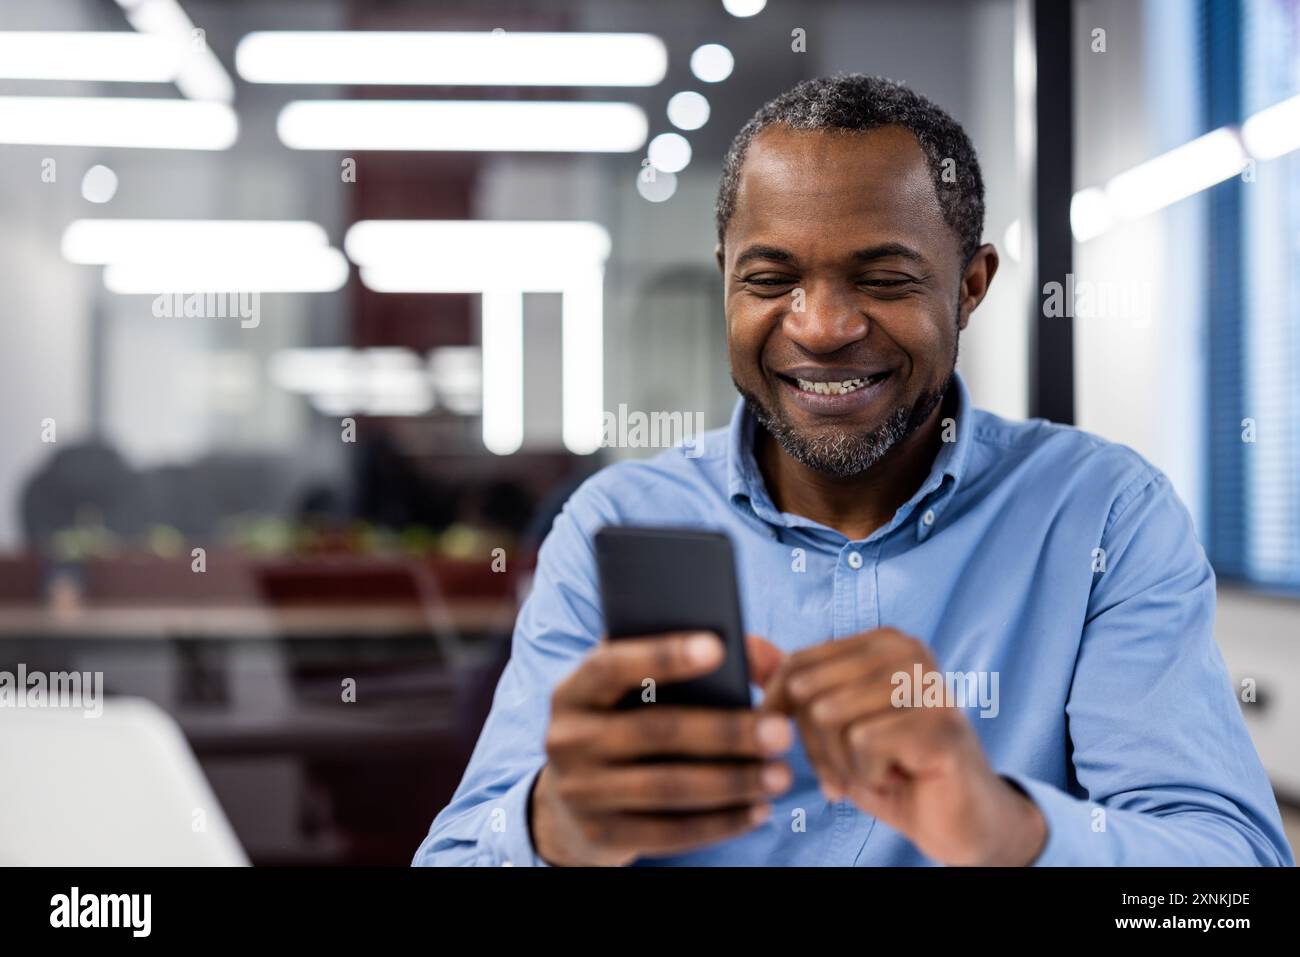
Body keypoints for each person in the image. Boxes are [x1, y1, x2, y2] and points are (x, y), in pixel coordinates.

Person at [414, 75, 1293, 867]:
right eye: (771, 278)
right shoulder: (614, 524)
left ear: (972, 286)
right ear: (727, 280)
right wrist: (552, 829)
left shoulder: (1103, 516)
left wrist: (1007, 831)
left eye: (882, 279)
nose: (823, 325)